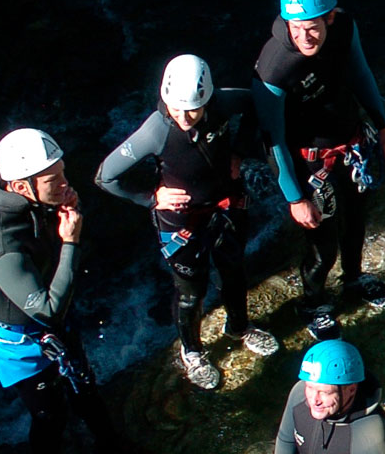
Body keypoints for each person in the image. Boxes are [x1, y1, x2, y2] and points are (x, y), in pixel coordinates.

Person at [0, 128, 157, 454]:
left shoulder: (16, 189)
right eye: (55, 181)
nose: (66, 184)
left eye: (63, 173)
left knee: (84, 385)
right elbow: (48, 312)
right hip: (19, 339)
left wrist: (60, 205)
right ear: (21, 186)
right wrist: (69, 242)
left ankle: (110, 445)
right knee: (49, 415)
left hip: (43, 316)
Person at [97, 55, 281, 390]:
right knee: (190, 292)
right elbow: (106, 176)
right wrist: (152, 197)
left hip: (226, 205)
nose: (183, 117)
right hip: (180, 221)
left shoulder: (222, 102)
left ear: (207, 99)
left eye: (192, 110)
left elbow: (259, 101)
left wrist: (239, 152)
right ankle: (192, 351)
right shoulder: (157, 129)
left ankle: (239, 327)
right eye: (177, 108)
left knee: (234, 271)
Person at [254, 0, 385, 340]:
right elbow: (273, 140)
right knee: (323, 242)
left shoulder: (344, 26)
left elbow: (360, 73)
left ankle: (354, 279)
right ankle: (313, 303)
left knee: (356, 222)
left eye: (313, 27)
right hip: (310, 160)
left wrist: (382, 125)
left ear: (330, 17)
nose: (304, 37)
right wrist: (295, 198)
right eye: (296, 27)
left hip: (350, 143)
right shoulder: (274, 66)